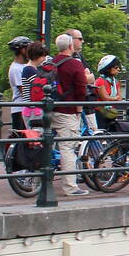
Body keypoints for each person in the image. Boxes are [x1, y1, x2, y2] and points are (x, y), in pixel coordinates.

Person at [51, 33, 90, 197]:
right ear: (70, 46)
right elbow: (81, 89)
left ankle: (39, 181)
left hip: (49, 109)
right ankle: (70, 187)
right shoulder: (74, 64)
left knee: (46, 145)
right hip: (67, 111)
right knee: (67, 148)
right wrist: (79, 109)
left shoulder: (51, 62)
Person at [7, 36, 33, 130]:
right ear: (23, 50)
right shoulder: (16, 69)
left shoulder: (25, 66)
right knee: (22, 140)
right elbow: (24, 90)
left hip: (26, 109)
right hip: (20, 109)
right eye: (29, 49)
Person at [93, 55, 125, 131]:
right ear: (108, 68)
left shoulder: (116, 82)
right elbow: (105, 98)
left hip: (111, 113)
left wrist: (113, 98)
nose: (118, 69)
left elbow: (120, 98)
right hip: (100, 113)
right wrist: (115, 98)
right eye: (116, 67)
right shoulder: (100, 81)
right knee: (101, 132)